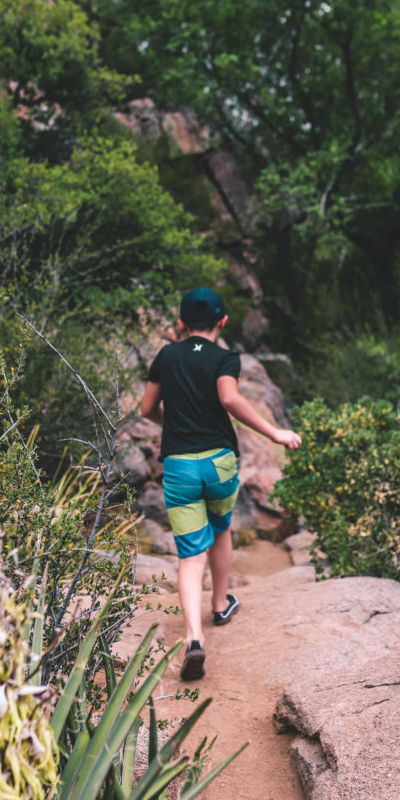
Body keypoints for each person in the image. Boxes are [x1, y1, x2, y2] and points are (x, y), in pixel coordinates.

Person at [140, 287, 302, 680]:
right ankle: (219, 603)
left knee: (190, 556)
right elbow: (229, 399)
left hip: (179, 465)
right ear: (223, 322)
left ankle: (194, 638)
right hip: (219, 463)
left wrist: (175, 426)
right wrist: (274, 432)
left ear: (181, 323)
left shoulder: (166, 356)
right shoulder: (225, 357)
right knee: (221, 528)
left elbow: (146, 409)